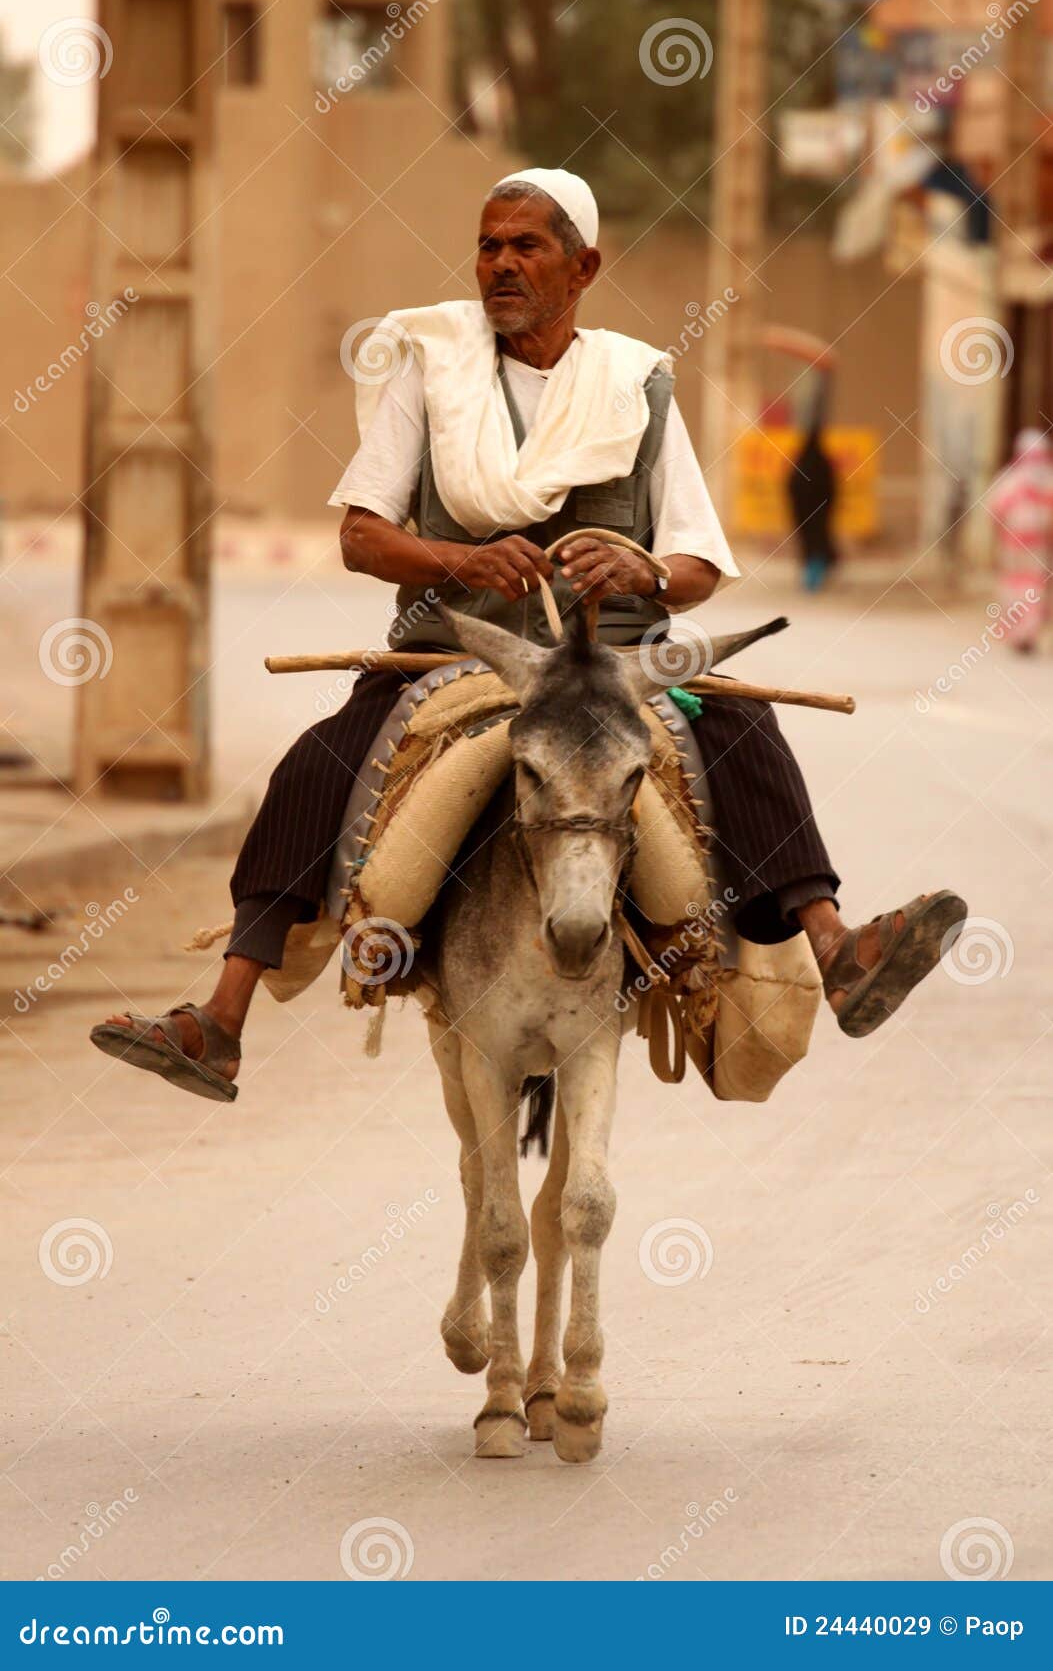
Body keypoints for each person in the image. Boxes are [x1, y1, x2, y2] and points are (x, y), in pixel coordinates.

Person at [90, 168, 966, 1101]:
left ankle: (837, 950)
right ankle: (221, 1020)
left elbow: (698, 569)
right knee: (315, 763)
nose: (500, 264)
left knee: (748, 733)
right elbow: (360, 536)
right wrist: (457, 563)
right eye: (488, 245)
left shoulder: (637, 384)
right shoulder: (431, 372)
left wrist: (643, 572)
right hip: (454, 655)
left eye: (526, 246)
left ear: (582, 266)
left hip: (617, 664)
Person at [987, 428, 1053, 654]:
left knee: (1018, 586)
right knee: (1031, 587)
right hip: (1031, 547)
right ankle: (1026, 634)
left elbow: (994, 512)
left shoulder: (1008, 479)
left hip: (1018, 546)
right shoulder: (1045, 479)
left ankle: (1021, 634)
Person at [787, 421, 838, 592]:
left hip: (805, 514)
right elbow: (832, 489)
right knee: (819, 543)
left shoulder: (800, 464)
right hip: (819, 514)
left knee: (809, 544)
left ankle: (812, 578)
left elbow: (791, 488)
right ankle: (815, 576)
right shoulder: (823, 465)